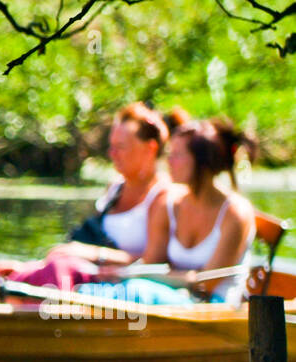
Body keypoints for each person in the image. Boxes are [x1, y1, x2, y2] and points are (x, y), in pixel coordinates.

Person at [77, 109, 257, 305]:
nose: (169, 161)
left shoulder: (235, 212)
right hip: (173, 299)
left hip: (214, 308)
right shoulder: (171, 204)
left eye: (178, 155)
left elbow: (206, 284)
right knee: (92, 291)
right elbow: (152, 262)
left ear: (201, 163)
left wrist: (134, 275)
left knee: (136, 291)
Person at [0, 102, 170, 292]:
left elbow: (154, 263)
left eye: (121, 147)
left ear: (150, 148)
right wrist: (33, 266)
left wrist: (95, 254)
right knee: (18, 271)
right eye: (111, 147)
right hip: (85, 272)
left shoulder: (162, 196)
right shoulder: (115, 188)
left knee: (58, 270)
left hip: (118, 284)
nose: (112, 154)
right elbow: (89, 240)